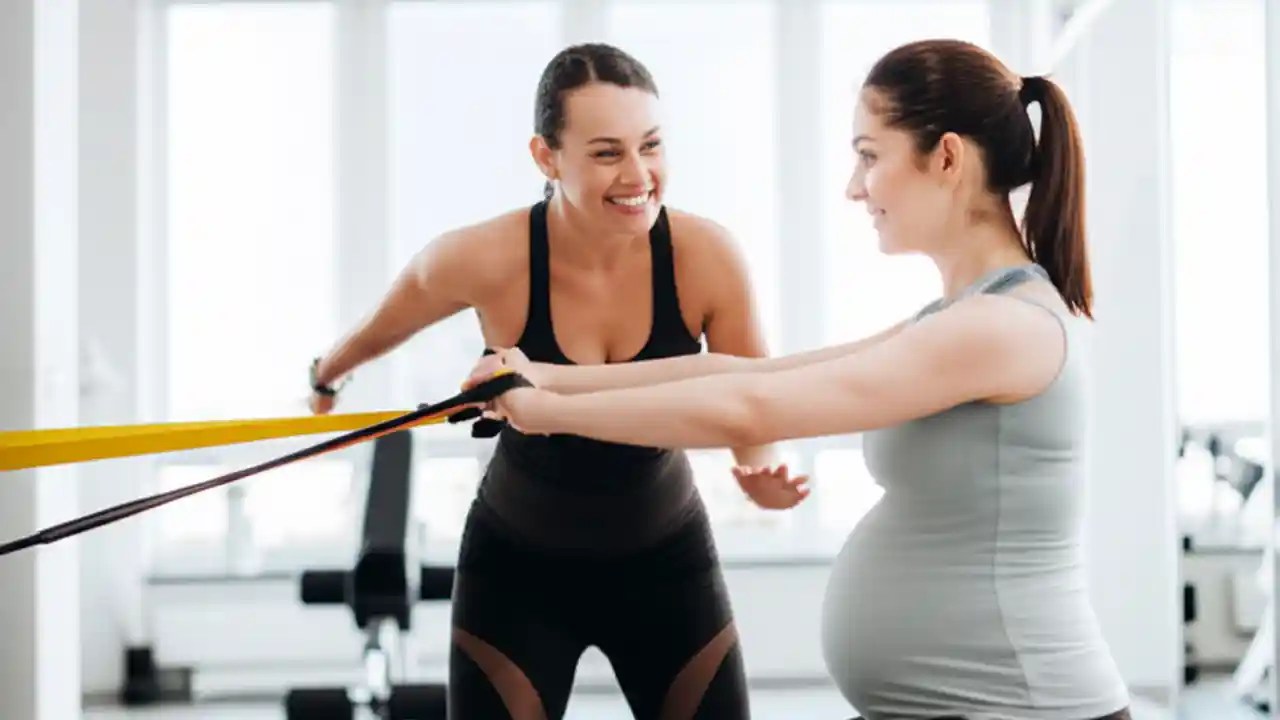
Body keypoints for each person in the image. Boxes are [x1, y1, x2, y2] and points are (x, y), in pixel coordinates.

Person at [470, 39, 1134, 720]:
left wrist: (547, 412)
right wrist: (540, 373)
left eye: (869, 156)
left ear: (946, 157)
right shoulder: (961, 319)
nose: (854, 186)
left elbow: (750, 409)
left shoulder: (999, 329)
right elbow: (736, 372)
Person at [308, 42, 808, 720]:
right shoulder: (487, 257)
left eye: (652, 146)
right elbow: (379, 328)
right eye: (607, 153)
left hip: (666, 569)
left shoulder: (705, 256)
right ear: (546, 157)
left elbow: (750, 401)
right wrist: (327, 379)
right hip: (518, 574)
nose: (640, 175)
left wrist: (762, 472)